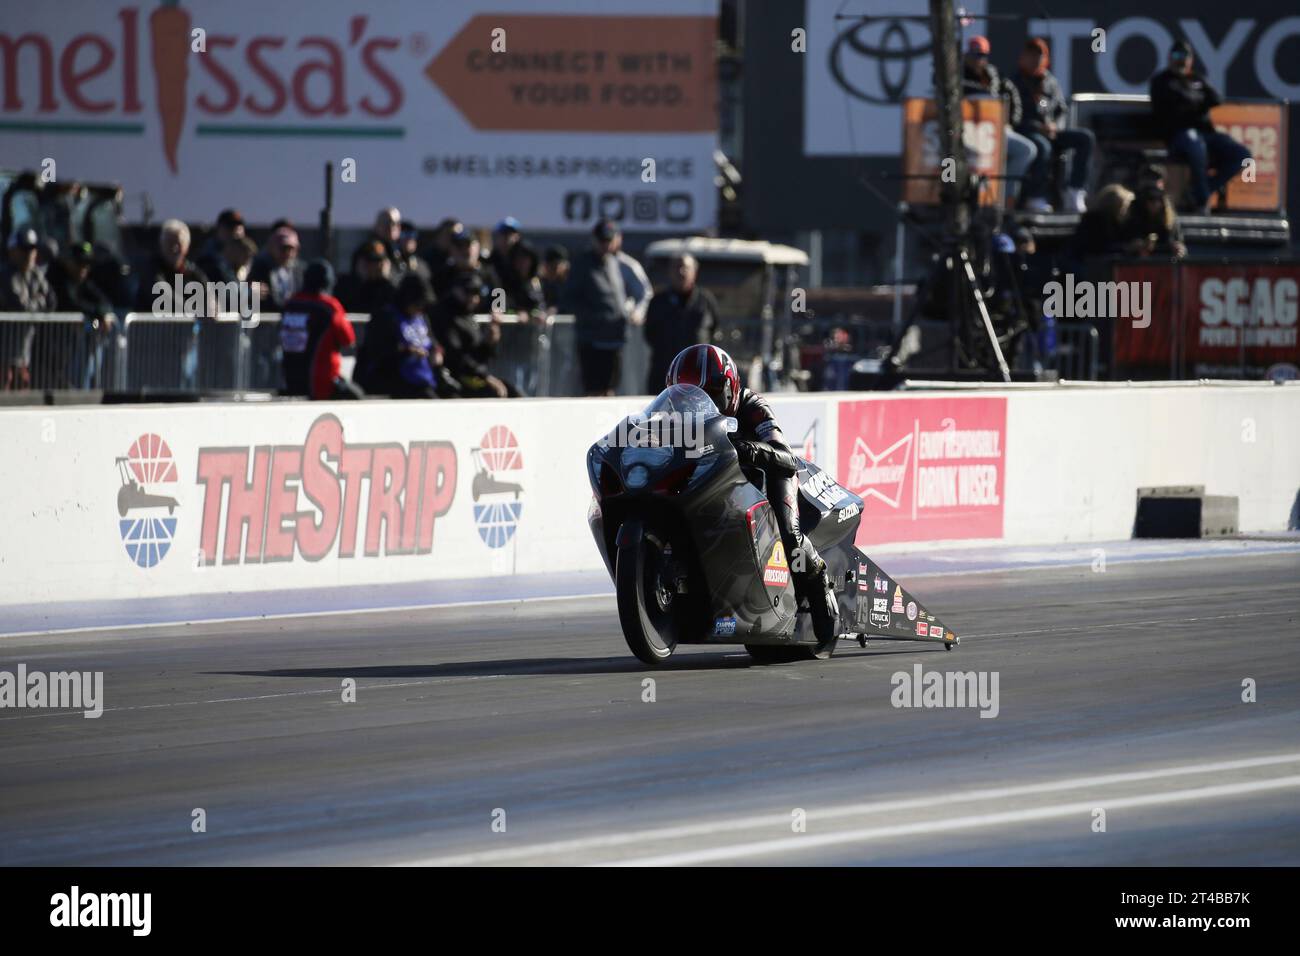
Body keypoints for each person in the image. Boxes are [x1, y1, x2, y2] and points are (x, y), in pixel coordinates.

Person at [665, 343, 838, 640]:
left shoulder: (752, 406)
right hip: (717, 486)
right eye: (689, 397)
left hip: (767, 476)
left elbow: (786, 457)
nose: (699, 406)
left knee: (789, 534)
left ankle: (819, 580)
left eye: (710, 396)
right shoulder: (676, 418)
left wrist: (750, 449)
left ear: (730, 390)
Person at [1150, 40, 1251, 213]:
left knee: (1242, 156)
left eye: (1184, 56)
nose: (1180, 60)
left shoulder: (1196, 79)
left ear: (1191, 59)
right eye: (1176, 56)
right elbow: (1170, 104)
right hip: (1178, 136)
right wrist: (1195, 100)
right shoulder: (1162, 81)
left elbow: (1216, 98)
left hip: (1206, 134)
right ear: (1169, 58)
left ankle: (1200, 193)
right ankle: (1202, 200)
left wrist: (1190, 99)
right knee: (1195, 145)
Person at [1012, 37, 1094, 213]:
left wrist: (1055, 125)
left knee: (1084, 138)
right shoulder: (1014, 82)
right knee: (1043, 146)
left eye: (1039, 56)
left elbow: (1061, 109)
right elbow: (1014, 117)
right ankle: (1036, 196)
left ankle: (1074, 190)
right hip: (1027, 132)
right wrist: (1037, 127)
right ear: (1023, 57)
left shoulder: (1050, 82)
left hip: (1051, 131)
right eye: (1031, 55)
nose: (1035, 60)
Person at [962, 36, 1037, 209]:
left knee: (1026, 150)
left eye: (981, 55)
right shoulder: (956, 74)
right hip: (968, 132)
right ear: (966, 55)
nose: (978, 60)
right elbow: (942, 83)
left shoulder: (993, 74)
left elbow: (1012, 97)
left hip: (994, 130)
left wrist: (1010, 122)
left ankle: (1005, 199)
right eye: (974, 55)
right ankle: (970, 200)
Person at [354, 273, 455, 399]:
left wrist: (436, 351)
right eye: (418, 304)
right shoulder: (385, 317)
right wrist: (407, 351)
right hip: (392, 379)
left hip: (423, 377)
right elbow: (377, 353)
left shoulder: (421, 317)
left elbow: (431, 340)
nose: (421, 309)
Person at [561, 219, 630, 396]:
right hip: (592, 341)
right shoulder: (582, 264)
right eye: (602, 240)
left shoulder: (614, 262)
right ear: (594, 240)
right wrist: (595, 317)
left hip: (614, 339)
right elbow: (569, 299)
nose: (605, 245)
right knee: (594, 391)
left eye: (609, 240)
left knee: (610, 390)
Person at [279, 259, 359, 400]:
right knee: (358, 398)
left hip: (289, 380)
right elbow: (348, 340)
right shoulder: (328, 306)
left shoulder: (291, 304)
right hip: (321, 383)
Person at [430, 266, 516, 398]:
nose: (473, 298)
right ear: (456, 290)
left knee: (513, 392)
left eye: (476, 293)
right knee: (494, 392)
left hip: (475, 374)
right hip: (458, 378)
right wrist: (485, 377)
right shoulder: (446, 316)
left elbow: (479, 355)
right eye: (468, 292)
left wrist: (489, 342)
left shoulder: (470, 316)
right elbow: (458, 358)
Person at [643, 253, 719, 393]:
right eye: (677, 267)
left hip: (697, 378)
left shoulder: (706, 301)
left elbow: (713, 330)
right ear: (669, 272)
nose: (681, 272)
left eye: (685, 267)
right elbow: (649, 335)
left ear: (694, 272)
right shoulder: (658, 302)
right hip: (663, 377)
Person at [1, 228, 56, 389]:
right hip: (4, 352)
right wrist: (39, 301)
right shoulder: (6, 275)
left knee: (21, 390)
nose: (28, 254)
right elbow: (19, 305)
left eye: (31, 249)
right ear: (12, 251)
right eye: (24, 249)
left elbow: (52, 301)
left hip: (23, 351)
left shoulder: (36, 274)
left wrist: (35, 302)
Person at [1120, 181, 1188, 259]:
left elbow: (1179, 245)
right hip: (1136, 265)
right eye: (1151, 199)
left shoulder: (1170, 222)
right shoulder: (1134, 219)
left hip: (1165, 264)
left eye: (1158, 199)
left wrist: (1178, 249)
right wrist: (1134, 246)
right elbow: (1122, 246)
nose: (1155, 203)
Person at [335, 240, 396, 315]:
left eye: (378, 260)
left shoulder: (388, 289)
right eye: (369, 260)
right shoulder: (344, 284)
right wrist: (361, 278)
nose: (372, 266)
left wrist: (385, 279)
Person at [539, 245, 569, 309]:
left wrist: (557, 309)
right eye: (550, 266)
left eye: (555, 266)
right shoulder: (539, 283)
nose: (553, 270)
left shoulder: (571, 284)